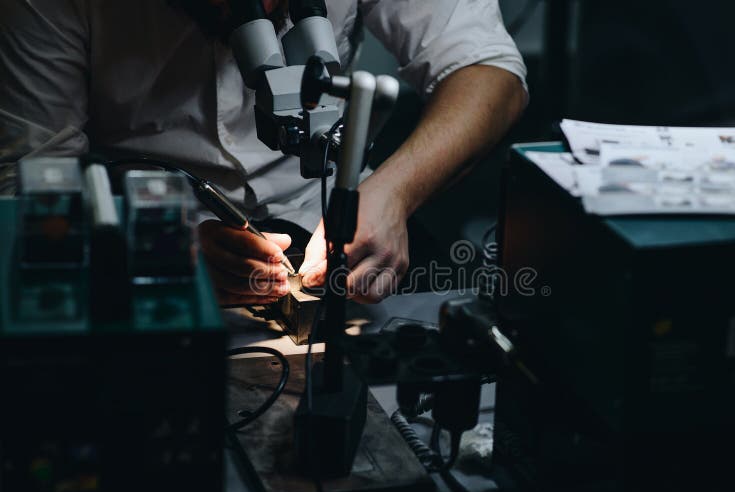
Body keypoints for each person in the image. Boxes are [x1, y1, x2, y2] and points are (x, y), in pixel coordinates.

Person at [0, 0, 528, 305]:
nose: (271, 9)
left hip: (338, 223)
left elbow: (490, 75)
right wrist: (153, 250)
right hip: (140, 243)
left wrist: (393, 192)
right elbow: (21, 189)